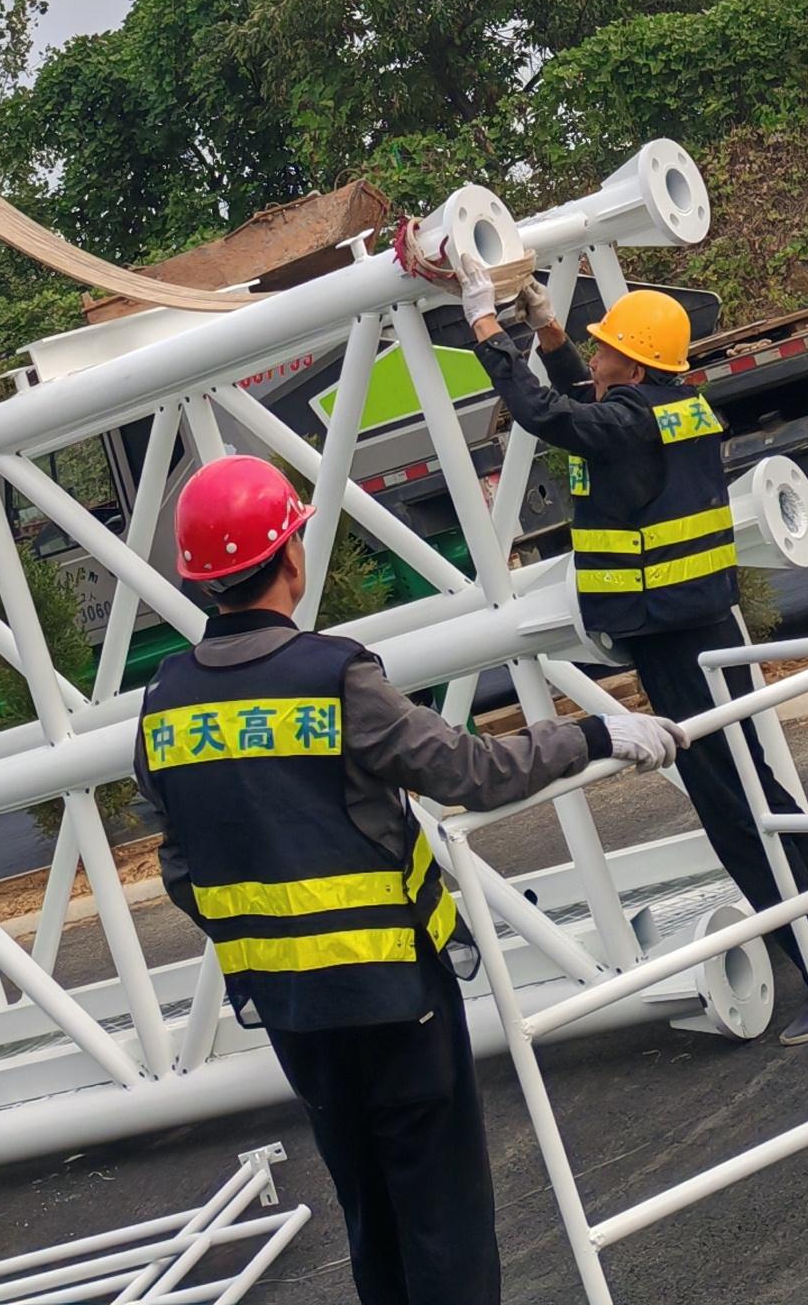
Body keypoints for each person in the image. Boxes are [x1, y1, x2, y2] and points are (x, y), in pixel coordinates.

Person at [133, 452, 681, 1305]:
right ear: (289, 557)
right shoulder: (331, 674)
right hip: (393, 995)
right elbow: (470, 771)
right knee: (441, 1214)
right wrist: (595, 735)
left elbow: (179, 867)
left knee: (372, 1212)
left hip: (289, 1007)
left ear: (202, 580)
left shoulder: (165, 702)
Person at [459, 252, 808, 1041]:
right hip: (705, 628)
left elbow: (545, 414)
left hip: (668, 642)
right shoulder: (676, 410)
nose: (596, 357)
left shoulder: (625, 423)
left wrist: (483, 325)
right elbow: (586, 402)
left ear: (634, 367)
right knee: (765, 797)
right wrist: (549, 330)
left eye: (605, 349)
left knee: (737, 822)